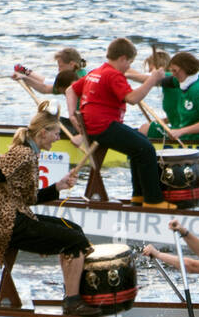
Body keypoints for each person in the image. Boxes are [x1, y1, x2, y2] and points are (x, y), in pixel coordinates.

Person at [0, 105, 98, 316]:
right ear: (43, 133)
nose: (58, 138)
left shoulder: (30, 153)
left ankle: (71, 295)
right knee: (76, 240)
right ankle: (73, 301)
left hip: (17, 217)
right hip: (10, 224)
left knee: (74, 229)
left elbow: (28, 199)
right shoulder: (24, 153)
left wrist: (58, 186)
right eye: (56, 133)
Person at [67, 38, 172, 209]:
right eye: (129, 63)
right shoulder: (113, 74)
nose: (128, 67)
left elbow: (70, 90)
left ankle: (139, 197)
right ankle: (153, 201)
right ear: (123, 58)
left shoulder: (97, 71)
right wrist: (152, 80)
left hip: (94, 126)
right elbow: (132, 99)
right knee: (146, 150)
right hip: (103, 127)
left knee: (139, 145)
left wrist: (72, 114)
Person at [140, 51, 199, 143]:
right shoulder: (179, 81)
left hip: (198, 138)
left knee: (144, 129)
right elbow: (156, 80)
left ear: (185, 69)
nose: (173, 74)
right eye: (171, 70)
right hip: (185, 134)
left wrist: (181, 131)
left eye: (175, 70)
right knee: (145, 128)